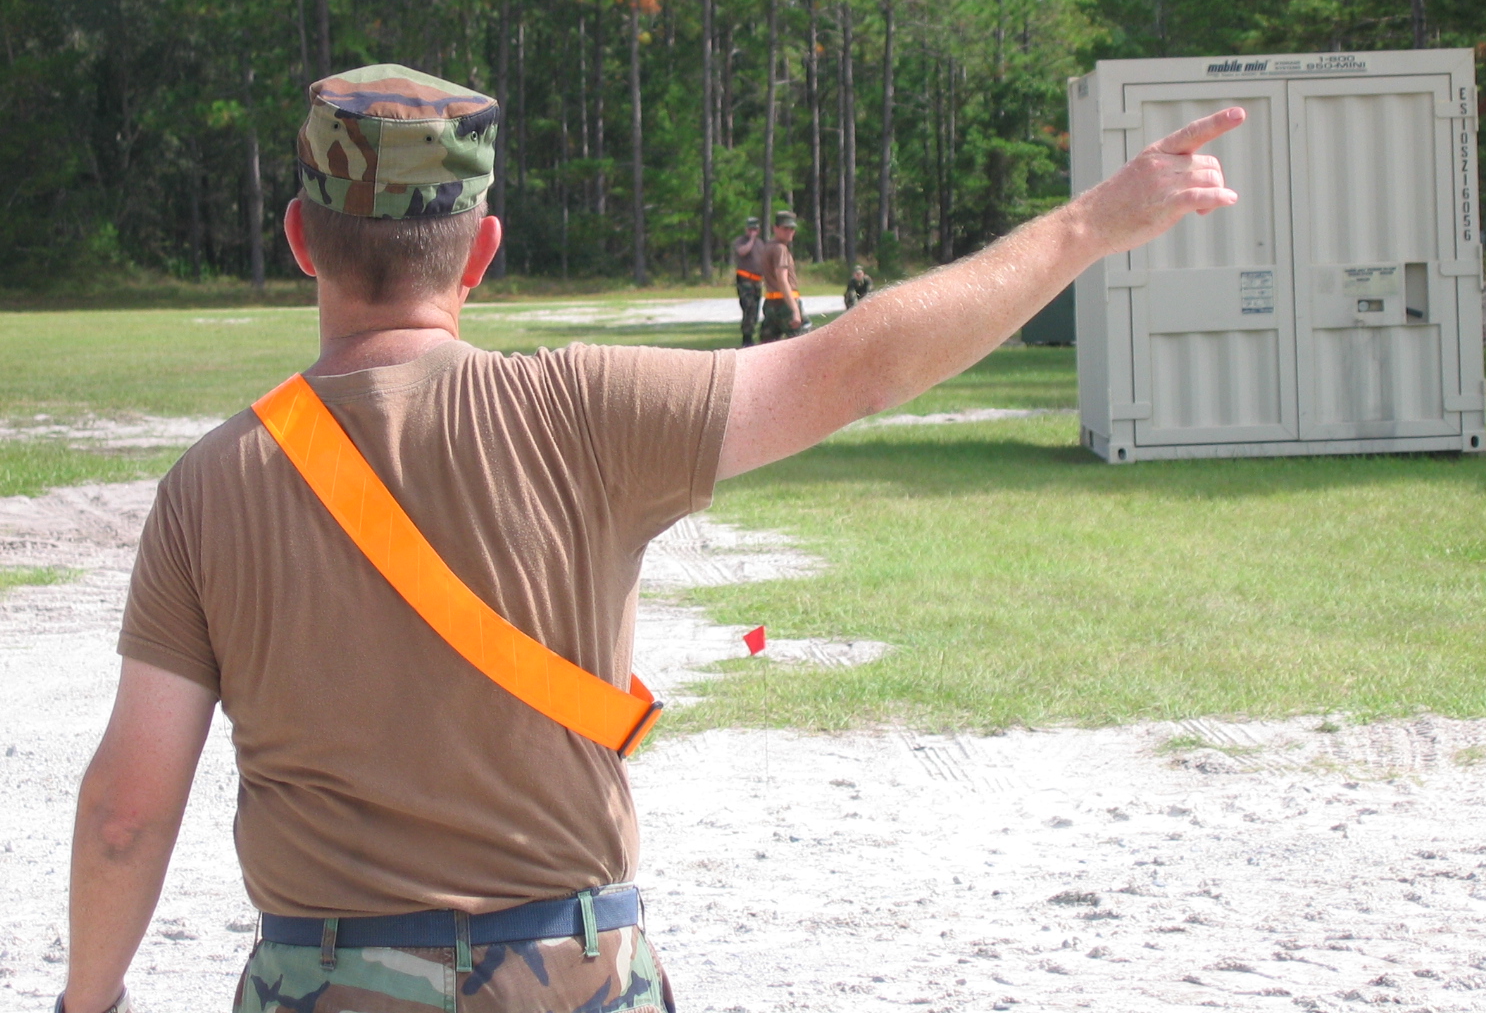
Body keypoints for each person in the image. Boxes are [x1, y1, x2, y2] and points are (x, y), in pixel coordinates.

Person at [59, 61, 1242, 1013]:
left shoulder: (208, 486)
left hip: (327, 979)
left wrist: (89, 1000)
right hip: (567, 967)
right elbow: (864, 362)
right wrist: (1089, 224)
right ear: (480, 250)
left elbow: (127, 810)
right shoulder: (587, 411)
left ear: (300, 239)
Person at [758, 212, 808, 341]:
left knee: (768, 348)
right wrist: (795, 310)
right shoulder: (780, 249)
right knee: (804, 345)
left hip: (771, 303)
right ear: (775, 228)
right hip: (785, 304)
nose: (789, 232)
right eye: (785, 229)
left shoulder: (767, 247)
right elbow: (782, 279)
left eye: (792, 229)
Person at [731, 217, 764, 346]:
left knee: (755, 310)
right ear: (746, 229)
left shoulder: (760, 243)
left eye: (755, 229)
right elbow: (742, 252)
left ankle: (751, 334)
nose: (752, 231)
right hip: (745, 281)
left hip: (757, 281)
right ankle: (747, 337)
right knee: (748, 308)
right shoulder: (740, 241)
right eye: (750, 229)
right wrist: (751, 239)